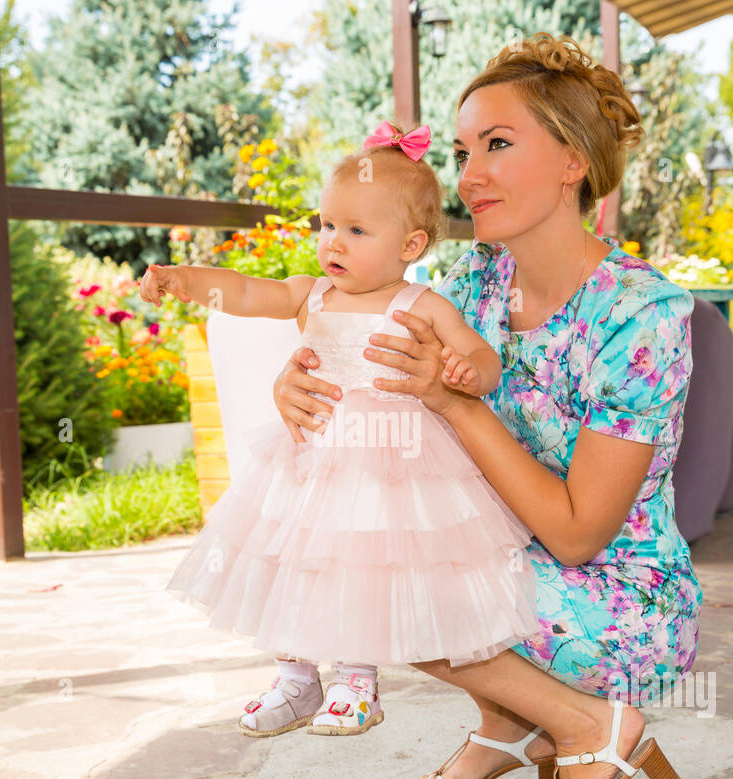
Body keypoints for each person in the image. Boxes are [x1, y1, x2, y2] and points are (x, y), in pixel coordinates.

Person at [271, 33, 701, 779]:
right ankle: (507, 722)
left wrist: (453, 401)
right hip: (508, 554)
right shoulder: (470, 285)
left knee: (391, 582)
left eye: (499, 145)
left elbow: (578, 534)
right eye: (464, 149)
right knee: (354, 543)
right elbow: (357, 359)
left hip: (619, 596)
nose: (468, 175)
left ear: (573, 160)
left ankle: (586, 726)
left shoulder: (643, 316)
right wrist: (297, 386)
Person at [143, 120, 541, 739]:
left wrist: (467, 368)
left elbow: (483, 359)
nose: (334, 242)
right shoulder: (313, 296)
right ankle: (296, 679)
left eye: (356, 230)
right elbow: (246, 291)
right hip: (311, 458)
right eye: (328, 225)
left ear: (410, 246)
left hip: (386, 464)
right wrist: (185, 281)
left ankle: (358, 679)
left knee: (361, 563)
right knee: (291, 562)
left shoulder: (421, 305)